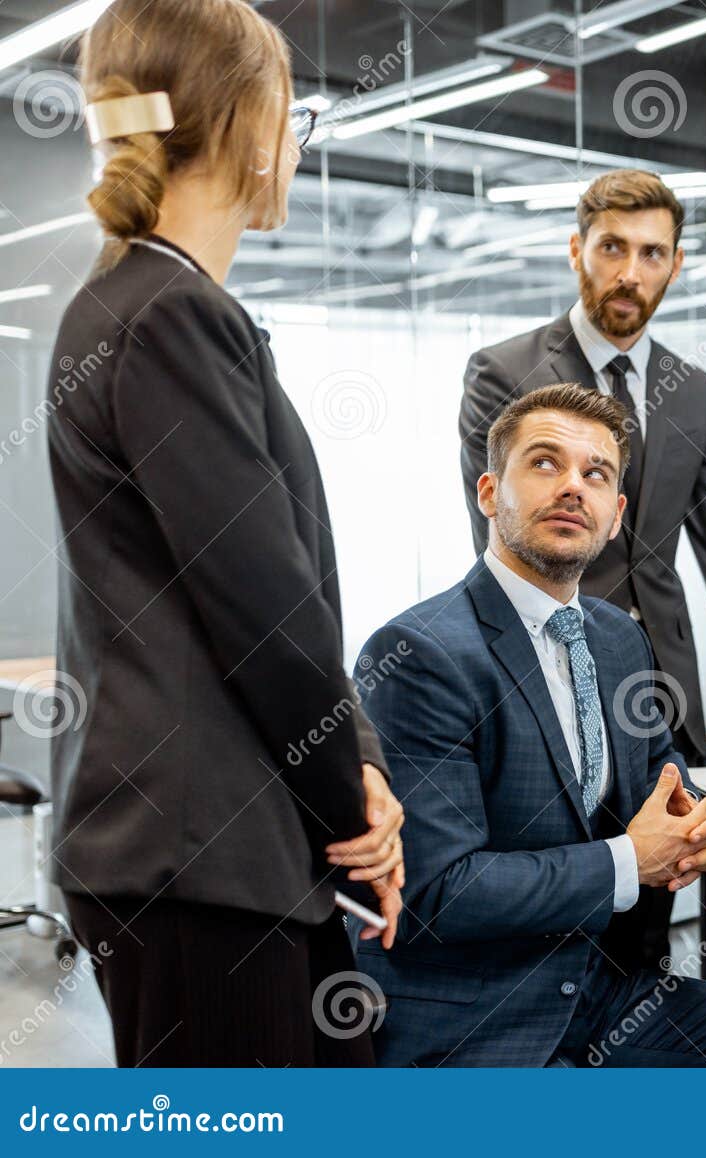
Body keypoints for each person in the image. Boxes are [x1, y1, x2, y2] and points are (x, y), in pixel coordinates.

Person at [45, 0, 405, 1067]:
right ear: (250, 125)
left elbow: (277, 602)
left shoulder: (149, 304)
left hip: (209, 854)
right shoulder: (168, 314)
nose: (292, 145)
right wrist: (355, 812)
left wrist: (362, 769)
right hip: (202, 860)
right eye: (290, 117)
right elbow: (267, 614)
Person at [356, 383, 706, 1067]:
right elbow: (435, 895)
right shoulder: (421, 654)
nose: (572, 487)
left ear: (616, 516)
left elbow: (659, 777)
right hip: (479, 1014)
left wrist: (689, 828)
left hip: (607, 993)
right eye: (544, 463)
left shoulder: (618, 639)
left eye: (596, 474)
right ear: (488, 492)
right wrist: (629, 860)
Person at [457, 170, 706, 772]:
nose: (630, 273)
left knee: (681, 851)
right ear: (578, 250)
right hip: (549, 667)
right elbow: (504, 536)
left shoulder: (693, 392)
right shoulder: (504, 373)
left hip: (666, 684)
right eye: (613, 247)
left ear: (676, 264)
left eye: (652, 253)